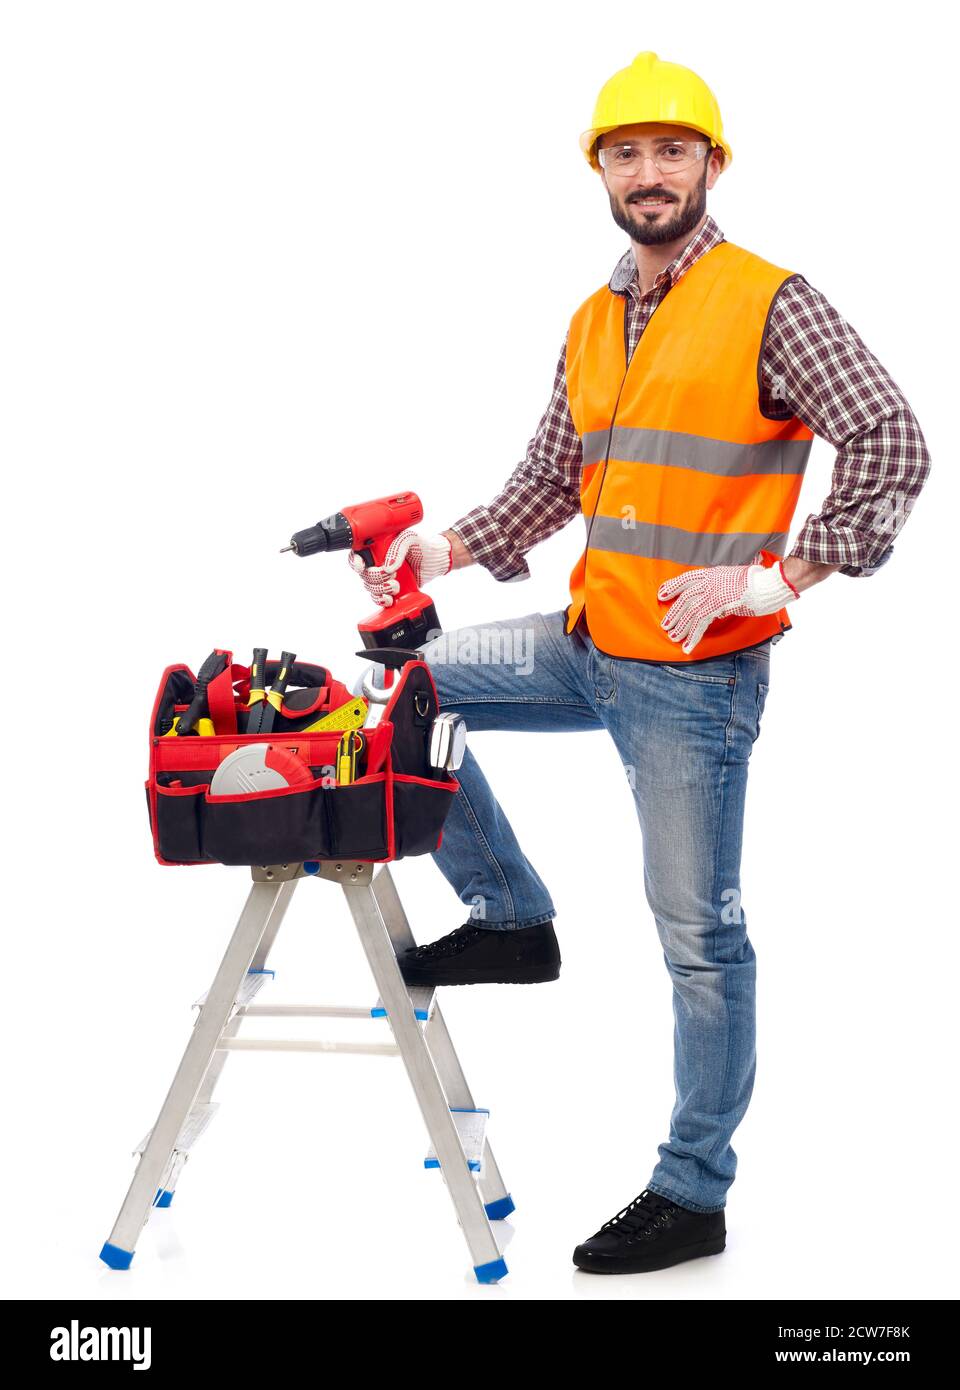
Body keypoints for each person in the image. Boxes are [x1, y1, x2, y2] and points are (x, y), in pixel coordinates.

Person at [349, 50, 931, 1275]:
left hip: (696, 678)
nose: (650, 172)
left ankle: (692, 1189)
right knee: (418, 686)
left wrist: (782, 575)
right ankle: (512, 916)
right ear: (599, 170)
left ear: (712, 166)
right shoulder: (596, 313)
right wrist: (445, 543)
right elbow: (555, 475)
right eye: (627, 152)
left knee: (697, 934)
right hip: (587, 639)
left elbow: (892, 438)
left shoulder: (772, 302)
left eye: (674, 151)